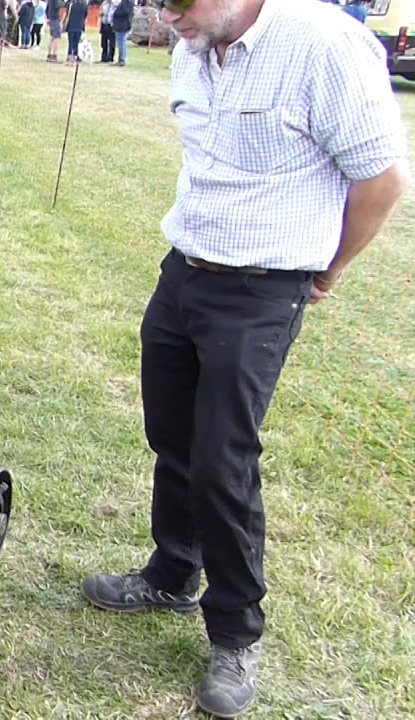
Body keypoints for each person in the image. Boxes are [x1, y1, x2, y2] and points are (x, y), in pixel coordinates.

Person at [79, 0, 409, 716]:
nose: (169, 25)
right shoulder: (193, 44)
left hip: (265, 287)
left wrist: (327, 273)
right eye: (159, 10)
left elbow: (382, 182)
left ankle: (235, 633)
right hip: (186, 269)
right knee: (171, 435)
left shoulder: (326, 46)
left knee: (224, 462)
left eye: (181, 8)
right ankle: (172, 573)